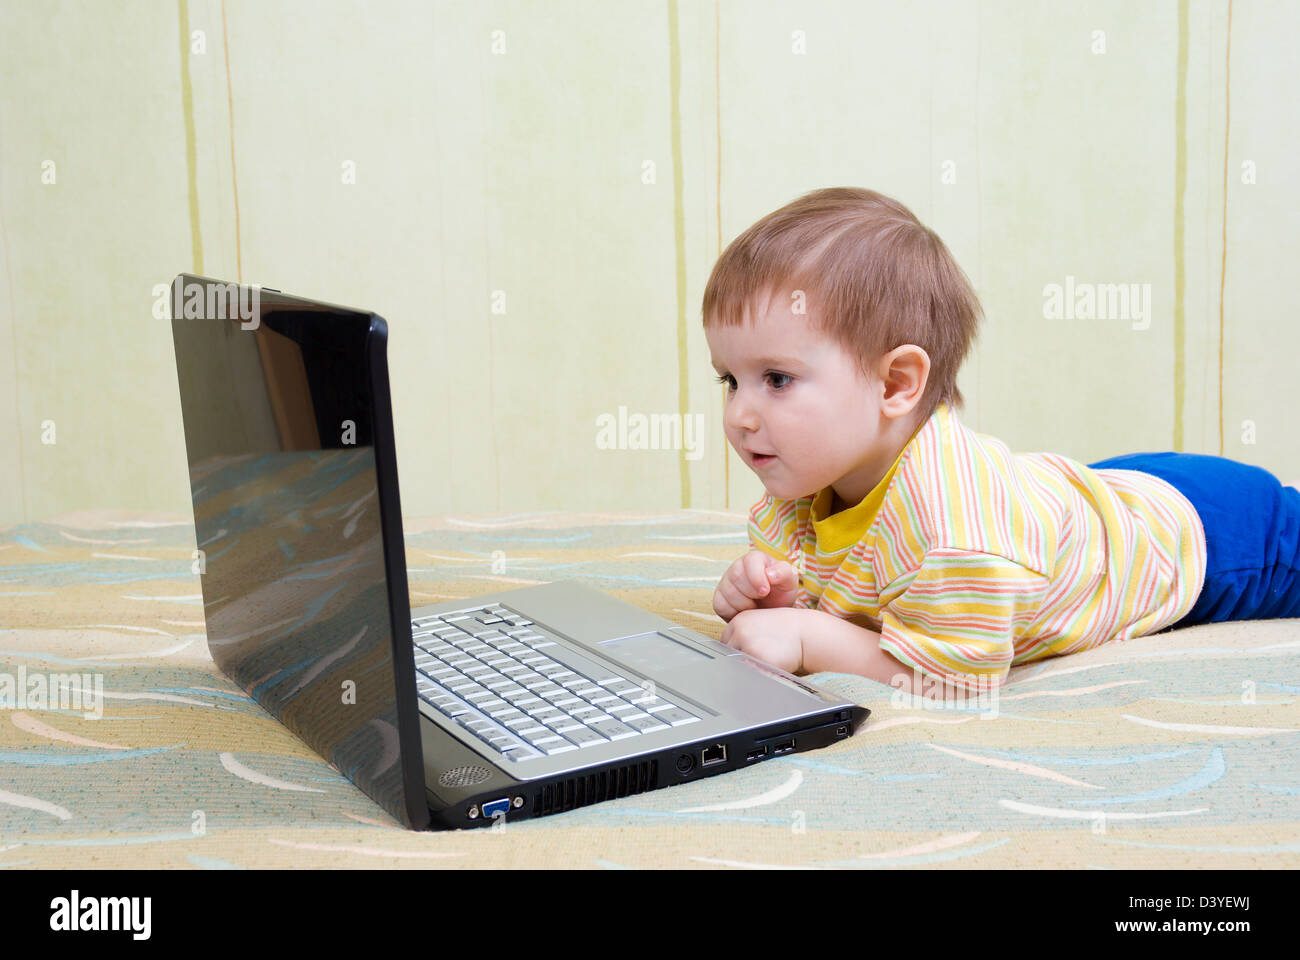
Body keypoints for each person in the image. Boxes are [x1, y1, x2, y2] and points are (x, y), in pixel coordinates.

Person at [705, 187, 1300, 698]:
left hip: (1211, 537)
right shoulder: (804, 484)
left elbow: (957, 680)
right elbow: (857, 591)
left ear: (894, 384)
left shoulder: (953, 531)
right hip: (1100, 497)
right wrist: (776, 599)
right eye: (731, 380)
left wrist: (809, 638)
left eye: (777, 380)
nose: (740, 415)